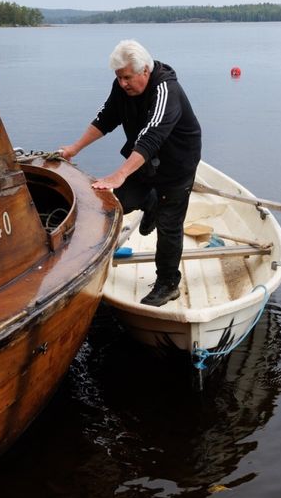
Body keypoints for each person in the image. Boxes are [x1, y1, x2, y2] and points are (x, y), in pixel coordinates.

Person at [59, 40, 202, 306]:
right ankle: (150, 203)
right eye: (118, 77)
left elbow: (151, 136)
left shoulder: (166, 90)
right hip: (146, 162)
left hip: (177, 165)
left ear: (145, 70)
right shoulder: (122, 87)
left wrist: (120, 174)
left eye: (127, 77)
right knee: (115, 203)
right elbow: (106, 118)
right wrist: (74, 148)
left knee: (170, 225)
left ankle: (168, 284)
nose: (122, 83)